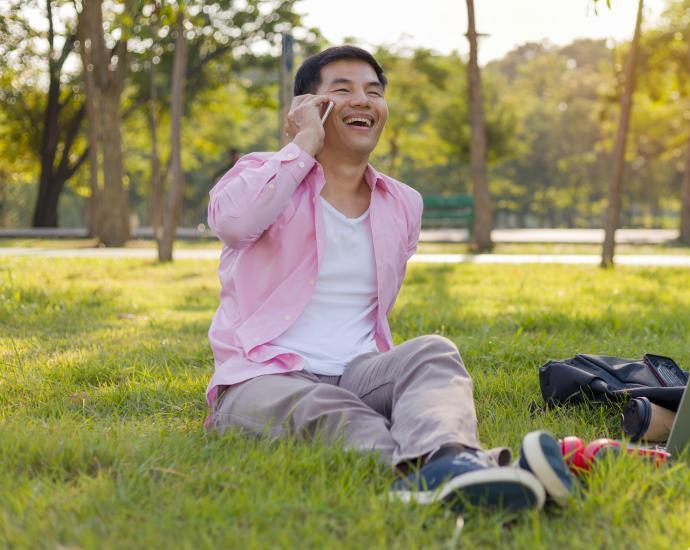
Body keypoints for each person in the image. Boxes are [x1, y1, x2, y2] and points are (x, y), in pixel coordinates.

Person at [202, 46, 627, 512]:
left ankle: (451, 461)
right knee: (331, 412)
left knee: (433, 351)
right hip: (264, 378)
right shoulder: (262, 173)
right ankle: (462, 473)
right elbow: (235, 224)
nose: (363, 100)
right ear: (307, 106)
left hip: (358, 371)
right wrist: (302, 144)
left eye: (374, 92)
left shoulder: (402, 203)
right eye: (342, 90)